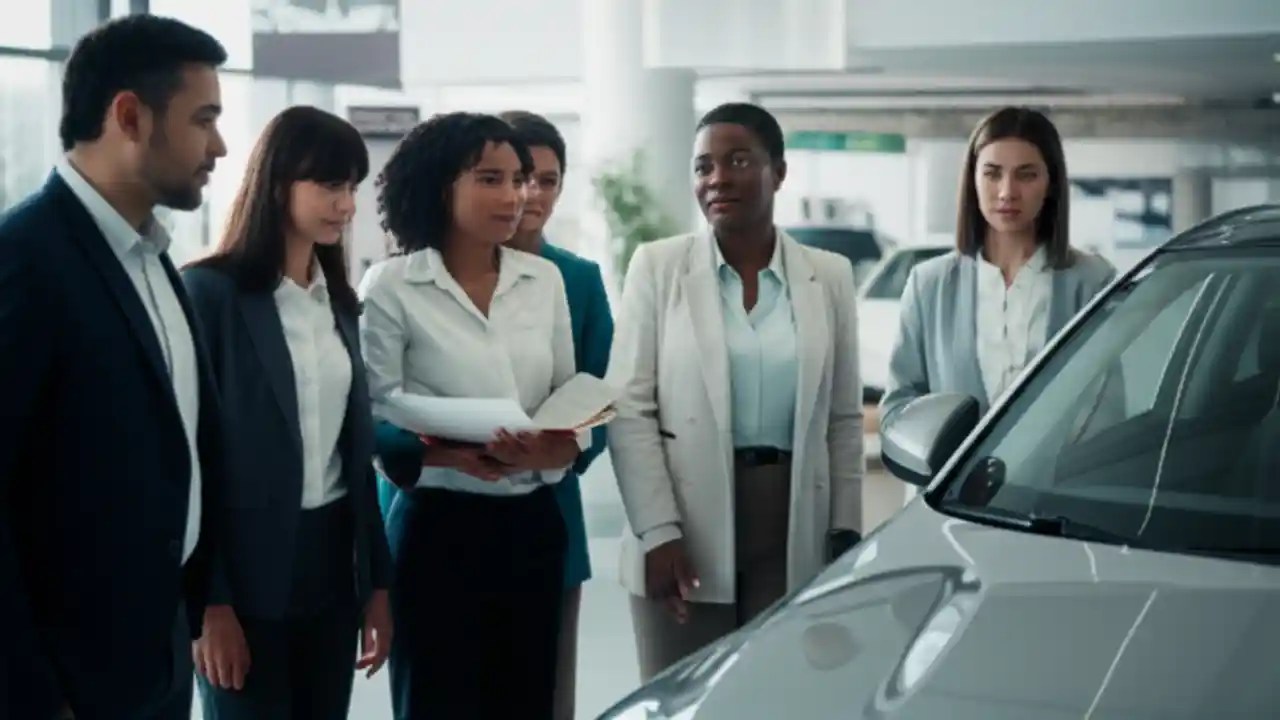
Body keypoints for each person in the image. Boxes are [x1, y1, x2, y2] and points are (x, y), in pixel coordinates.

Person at [0, 15, 227, 720]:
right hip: (65, 681)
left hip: (156, 658)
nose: (219, 145)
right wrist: (33, 697)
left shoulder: (154, 255)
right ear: (129, 115)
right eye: (204, 119)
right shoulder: (26, 259)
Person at [607, 102, 865, 682]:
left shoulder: (830, 276)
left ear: (779, 171)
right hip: (683, 521)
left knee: (777, 694)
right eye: (703, 167)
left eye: (739, 160)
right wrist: (657, 531)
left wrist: (845, 535)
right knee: (682, 696)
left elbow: (844, 421)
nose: (717, 178)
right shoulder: (657, 266)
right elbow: (629, 409)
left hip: (794, 517)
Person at [360, 112, 586, 718]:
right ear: (440, 186)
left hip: (532, 529)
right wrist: (440, 451)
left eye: (521, 179)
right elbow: (374, 412)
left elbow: (570, 399)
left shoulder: (545, 280)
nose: (516, 196)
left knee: (527, 704)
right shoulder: (392, 285)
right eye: (491, 179)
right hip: (438, 531)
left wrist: (559, 447)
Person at [181, 106, 393, 720]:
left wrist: (376, 585)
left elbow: (354, 459)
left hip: (330, 572)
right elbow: (190, 461)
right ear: (277, 184)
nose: (346, 204)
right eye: (329, 186)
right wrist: (208, 604)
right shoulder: (210, 295)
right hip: (241, 584)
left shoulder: (341, 304)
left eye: (351, 187)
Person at [879, 106, 1117, 431]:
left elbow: (1109, 406)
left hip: (1057, 480)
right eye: (992, 173)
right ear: (972, 181)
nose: (1007, 192)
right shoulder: (929, 285)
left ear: (1051, 184)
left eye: (1026, 174)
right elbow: (898, 408)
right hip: (954, 480)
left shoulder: (1092, 282)